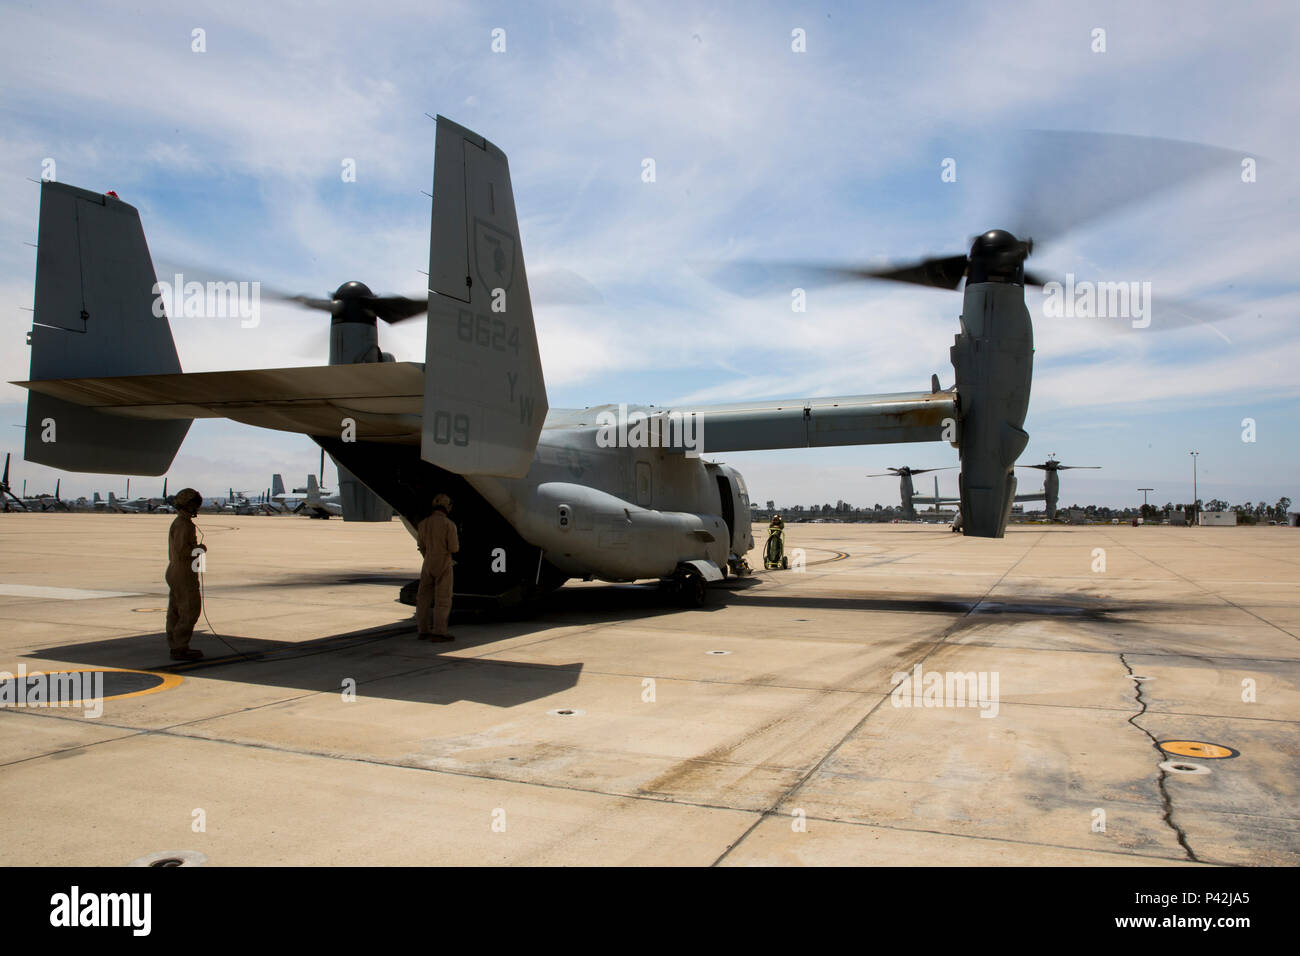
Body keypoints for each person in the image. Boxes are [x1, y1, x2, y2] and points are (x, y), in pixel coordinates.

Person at [165, 488, 206, 661]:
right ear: (189, 505)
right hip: (184, 572)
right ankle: (180, 647)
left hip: (175, 570)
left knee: (175, 610)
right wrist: (200, 549)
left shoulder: (179, 522)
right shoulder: (184, 524)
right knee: (189, 609)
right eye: (195, 505)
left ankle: (175, 645)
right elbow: (183, 550)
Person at [415, 493, 460, 641]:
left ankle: (423, 630)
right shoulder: (449, 525)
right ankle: (439, 632)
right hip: (443, 562)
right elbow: (454, 548)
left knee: (423, 598)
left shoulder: (423, 524)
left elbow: (420, 545)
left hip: (427, 562)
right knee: (443, 599)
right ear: (447, 506)